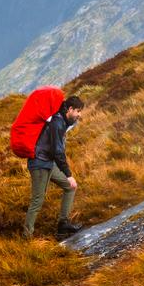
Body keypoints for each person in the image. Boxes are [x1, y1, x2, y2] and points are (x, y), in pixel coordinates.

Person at [23, 95, 85, 239]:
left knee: (70, 187)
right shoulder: (57, 123)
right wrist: (69, 174)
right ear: (70, 109)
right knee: (37, 200)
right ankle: (27, 237)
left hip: (48, 163)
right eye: (78, 111)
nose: (79, 115)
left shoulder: (62, 120)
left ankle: (63, 226)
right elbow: (57, 151)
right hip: (39, 163)